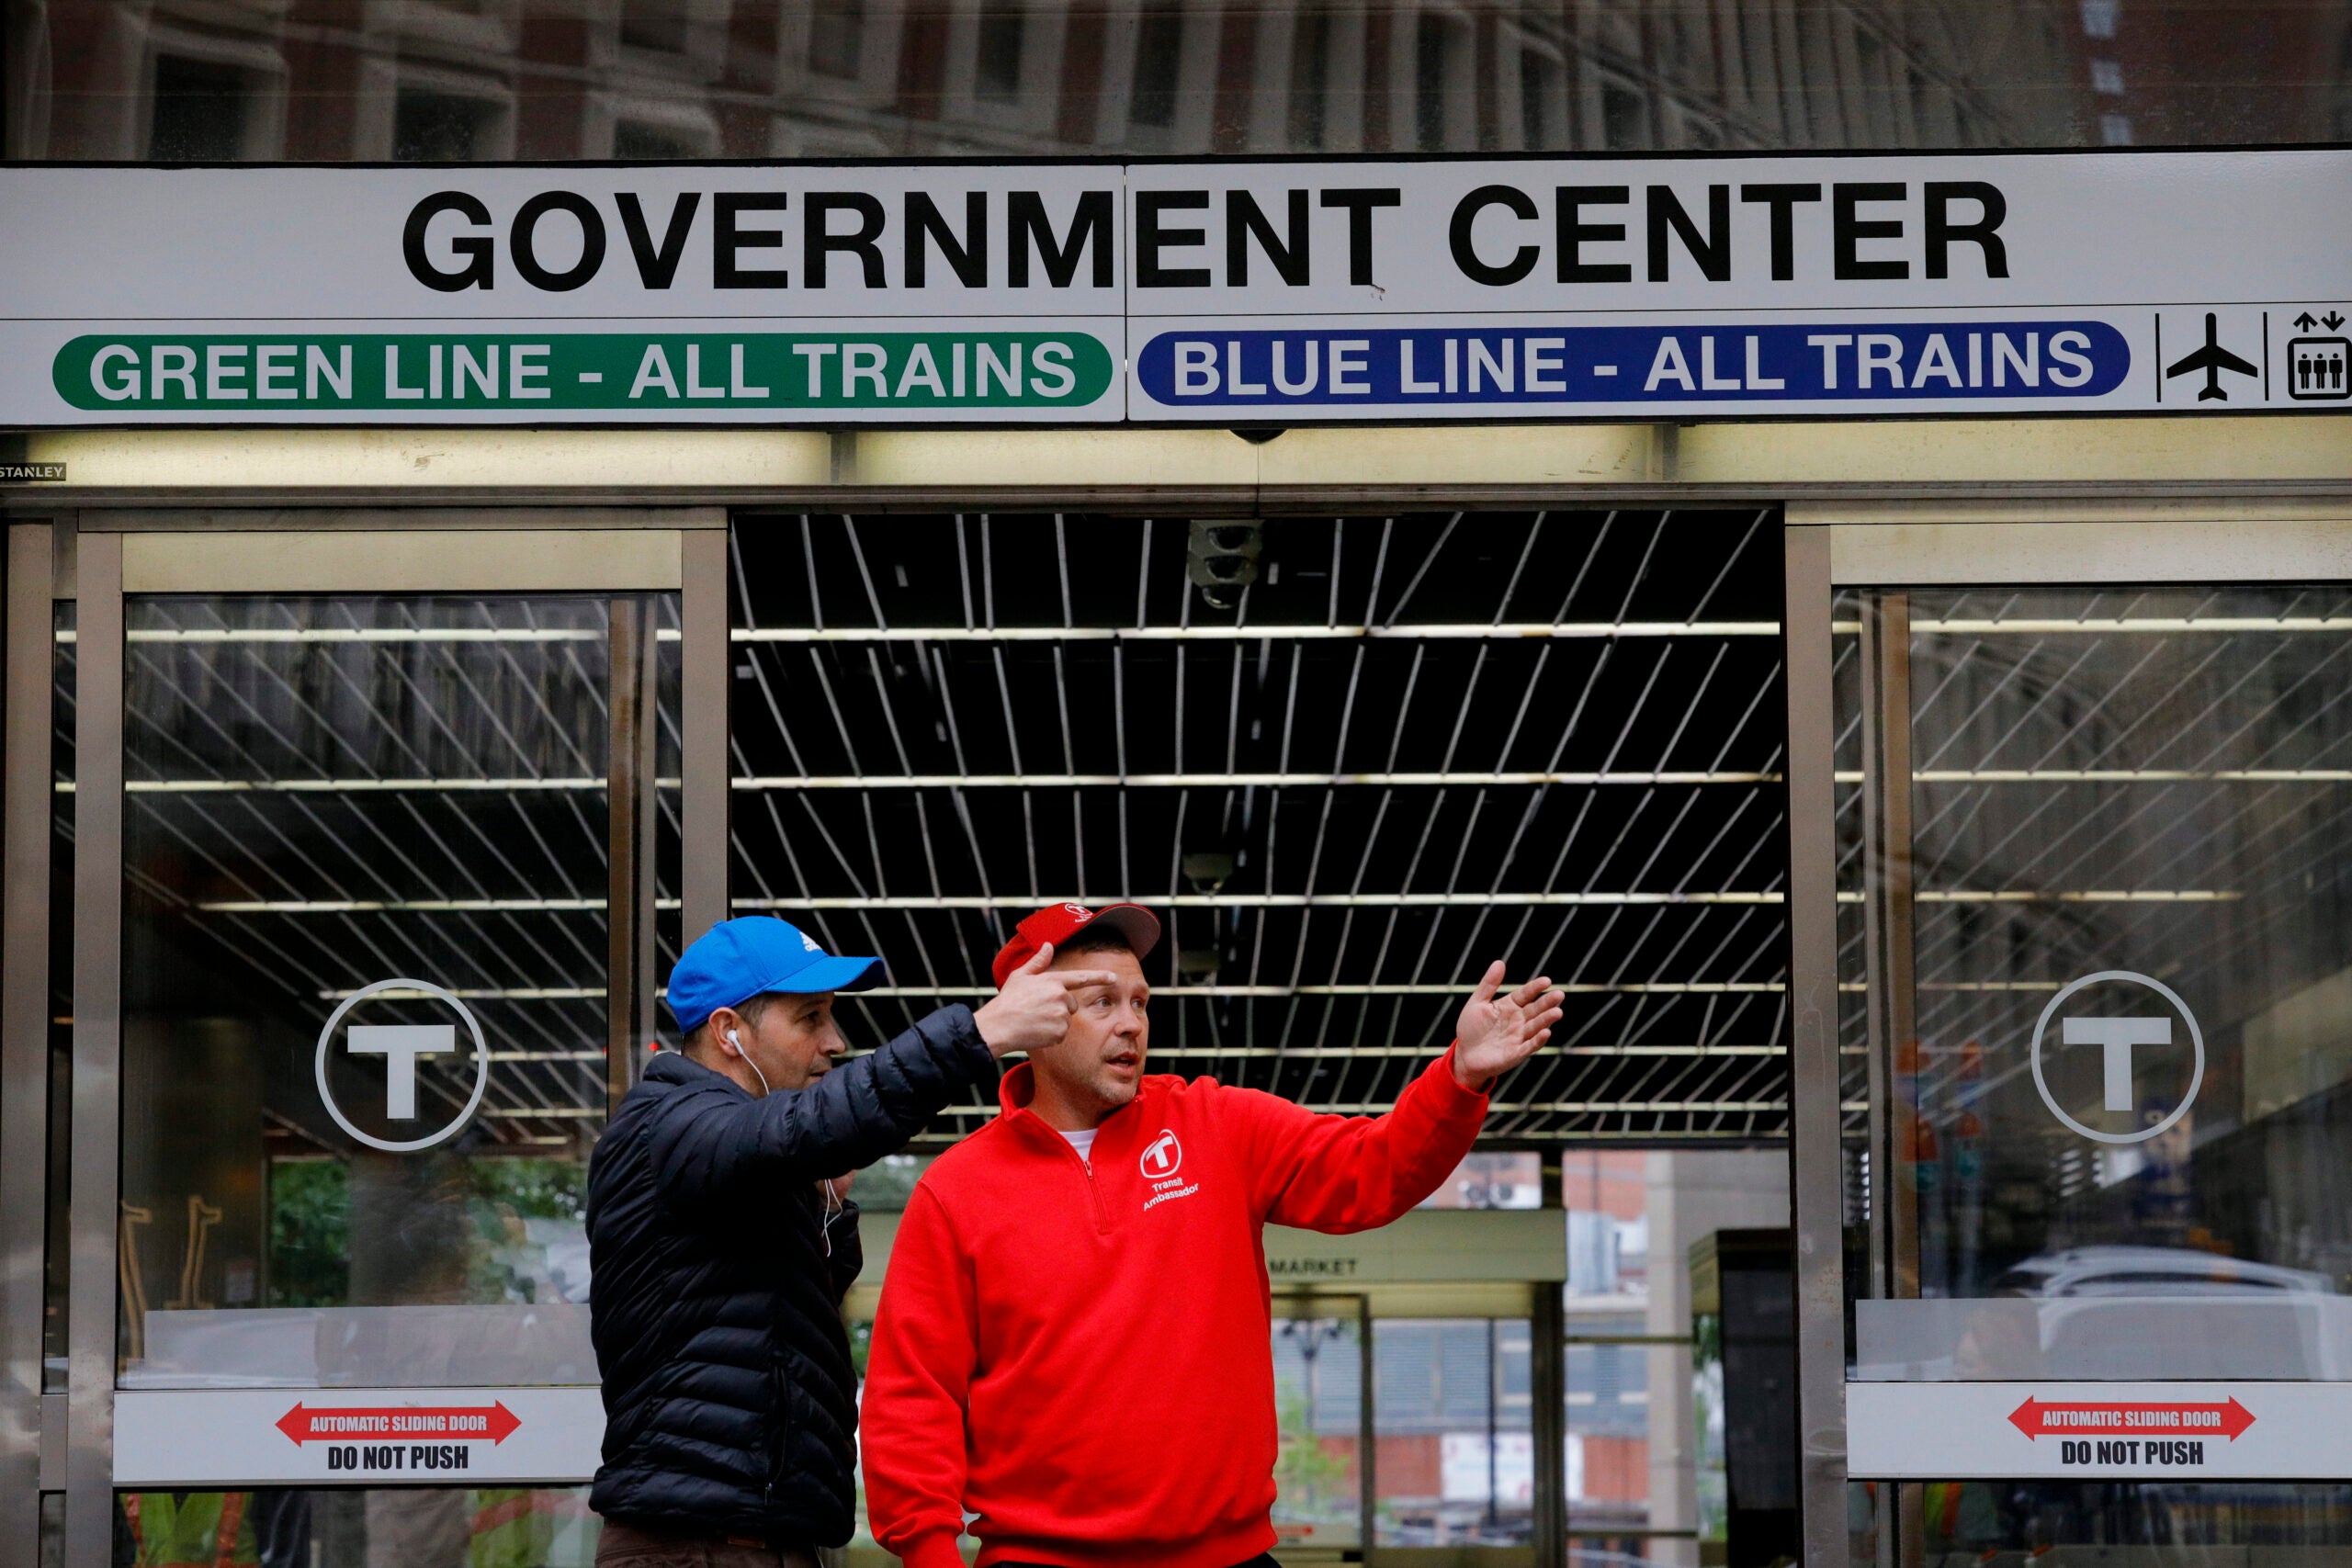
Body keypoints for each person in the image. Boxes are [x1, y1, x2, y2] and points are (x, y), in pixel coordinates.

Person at [861, 900, 1566, 1568]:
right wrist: (929, 1552)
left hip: (1229, 1555)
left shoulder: (1217, 1125)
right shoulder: (956, 1191)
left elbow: (1371, 1171)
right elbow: (913, 1398)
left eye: (1140, 1002)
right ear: (1034, 1016)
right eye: (1102, 1002)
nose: (1131, 1023)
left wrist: (1460, 1076)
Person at [585, 915, 1117, 1568]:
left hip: (756, 1535)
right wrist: (982, 1033)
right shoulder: (664, 1124)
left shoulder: (738, 1163)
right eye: (810, 1018)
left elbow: (772, 1321)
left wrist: (826, 1206)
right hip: (694, 1546)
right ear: (728, 1032)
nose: (835, 1041)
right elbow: (809, 1126)